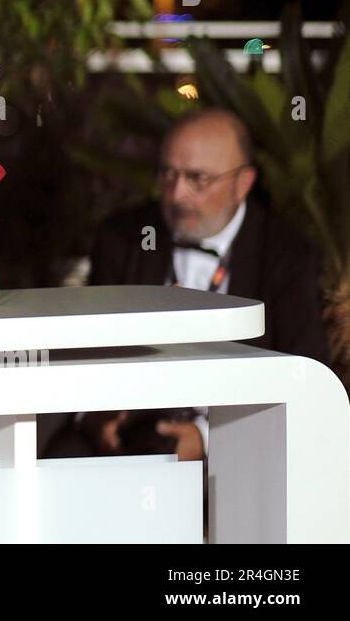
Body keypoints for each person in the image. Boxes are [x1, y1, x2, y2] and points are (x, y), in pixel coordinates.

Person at [46, 107, 330, 461]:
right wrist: (96, 419)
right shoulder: (123, 237)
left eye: (198, 178)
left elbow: (304, 379)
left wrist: (207, 441)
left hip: (240, 440)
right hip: (134, 432)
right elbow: (91, 349)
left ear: (243, 184)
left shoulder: (287, 255)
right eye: (168, 174)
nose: (177, 194)